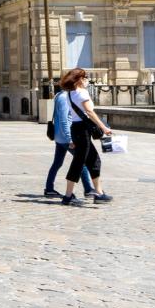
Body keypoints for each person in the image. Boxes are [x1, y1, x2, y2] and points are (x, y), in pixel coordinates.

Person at [60, 68, 114, 206]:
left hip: (76, 129)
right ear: (79, 79)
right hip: (83, 131)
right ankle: (68, 196)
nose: (87, 80)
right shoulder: (82, 93)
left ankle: (99, 193)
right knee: (78, 162)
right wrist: (104, 127)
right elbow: (89, 112)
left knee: (94, 160)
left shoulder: (70, 94)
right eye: (85, 77)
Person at [45, 78, 97, 198]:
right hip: (65, 137)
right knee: (81, 161)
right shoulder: (64, 98)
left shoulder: (59, 95)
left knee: (57, 163)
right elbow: (64, 120)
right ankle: (88, 189)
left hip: (59, 136)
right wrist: (70, 139)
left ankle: (49, 188)